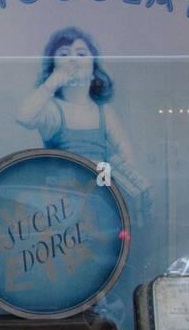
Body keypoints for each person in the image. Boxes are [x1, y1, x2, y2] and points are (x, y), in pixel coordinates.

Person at [16, 26, 150, 215]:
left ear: (94, 69)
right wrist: (52, 83)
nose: (73, 59)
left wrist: (124, 185)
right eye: (64, 54)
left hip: (99, 198)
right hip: (62, 201)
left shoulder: (103, 111)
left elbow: (126, 153)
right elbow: (24, 117)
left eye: (81, 53)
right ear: (53, 66)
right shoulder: (54, 110)